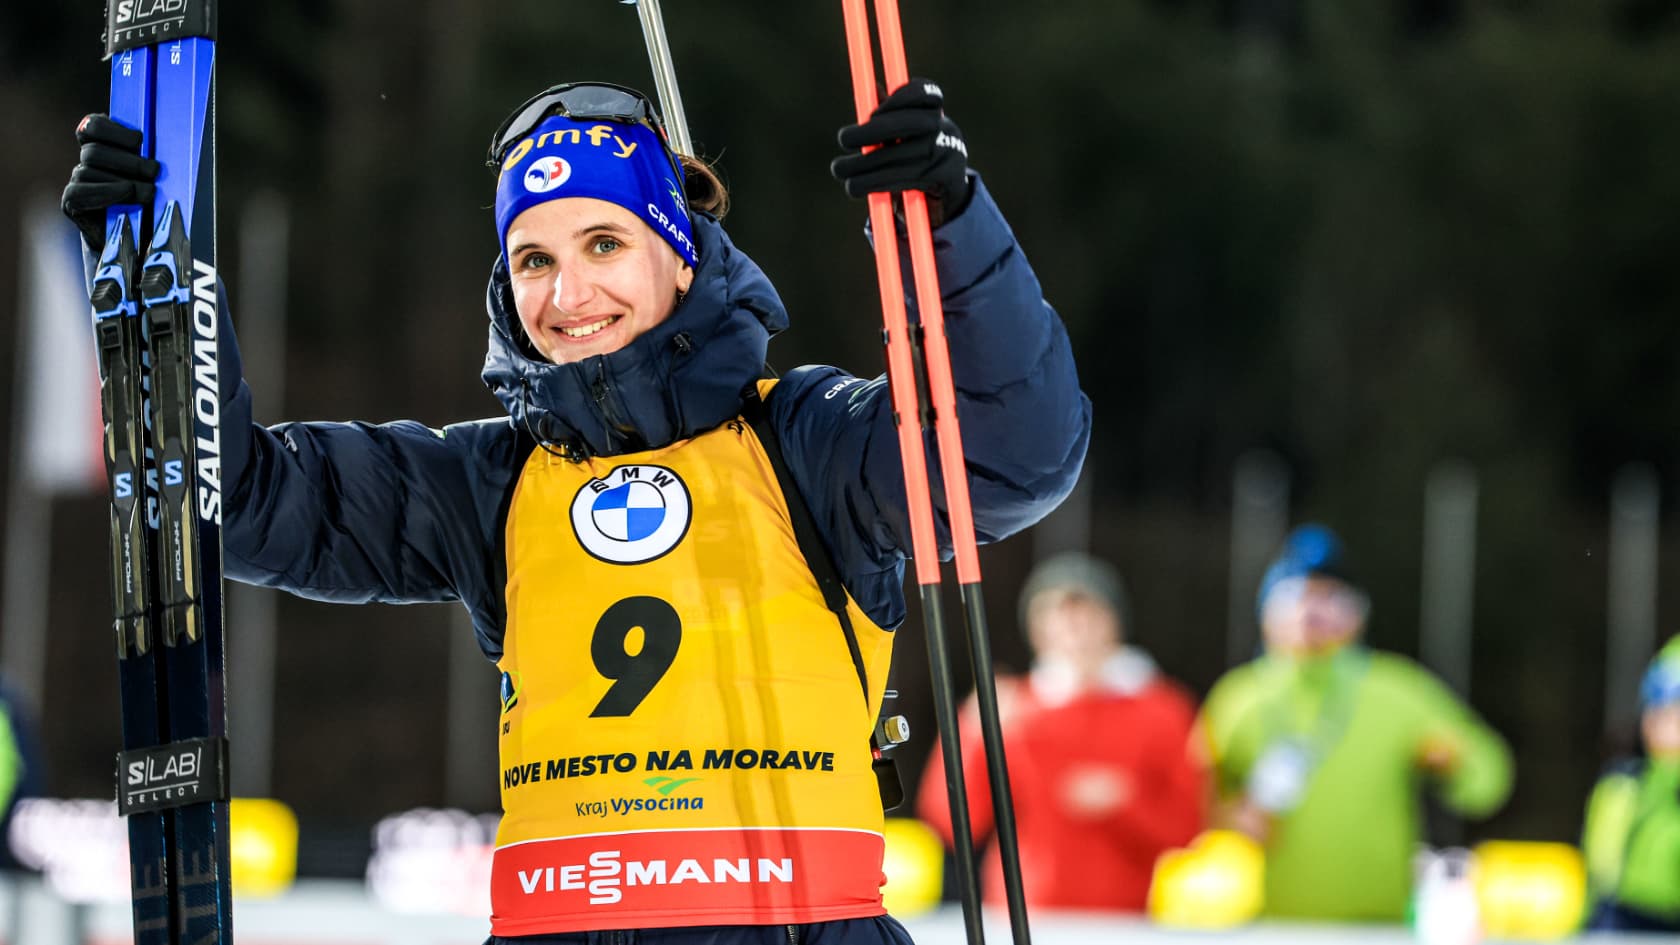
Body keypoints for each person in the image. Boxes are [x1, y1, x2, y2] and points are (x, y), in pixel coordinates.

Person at [63, 78, 1090, 944]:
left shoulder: (808, 441)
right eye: (534, 259)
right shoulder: (488, 482)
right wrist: (149, 290)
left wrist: (952, 224)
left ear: (679, 253)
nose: (568, 292)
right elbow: (230, 504)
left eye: (605, 242)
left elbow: (1013, 451)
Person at [1197, 524, 1513, 922]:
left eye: (1330, 596)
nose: (1313, 610)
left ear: (1358, 614)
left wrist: (1456, 761)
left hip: (1379, 926)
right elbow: (1185, 800)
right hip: (1272, 924)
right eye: (1296, 595)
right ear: (1266, 614)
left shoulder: (1400, 691)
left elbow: (1490, 781)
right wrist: (1227, 816)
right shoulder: (1238, 698)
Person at [915, 552, 1205, 912]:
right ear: (1036, 630)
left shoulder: (1161, 710)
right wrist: (973, 732)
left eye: (1087, 615)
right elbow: (951, 824)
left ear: (1114, 621)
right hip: (1021, 918)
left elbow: (1190, 826)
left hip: (1123, 921)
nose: (1074, 629)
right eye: (1057, 617)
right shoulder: (1011, 709)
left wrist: (1127, 802)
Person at [1581, 634, 1680, 933]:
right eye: (1657, 710)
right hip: (1625, 916)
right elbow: (1600, 870)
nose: (1660, 723)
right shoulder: (1624, 782)